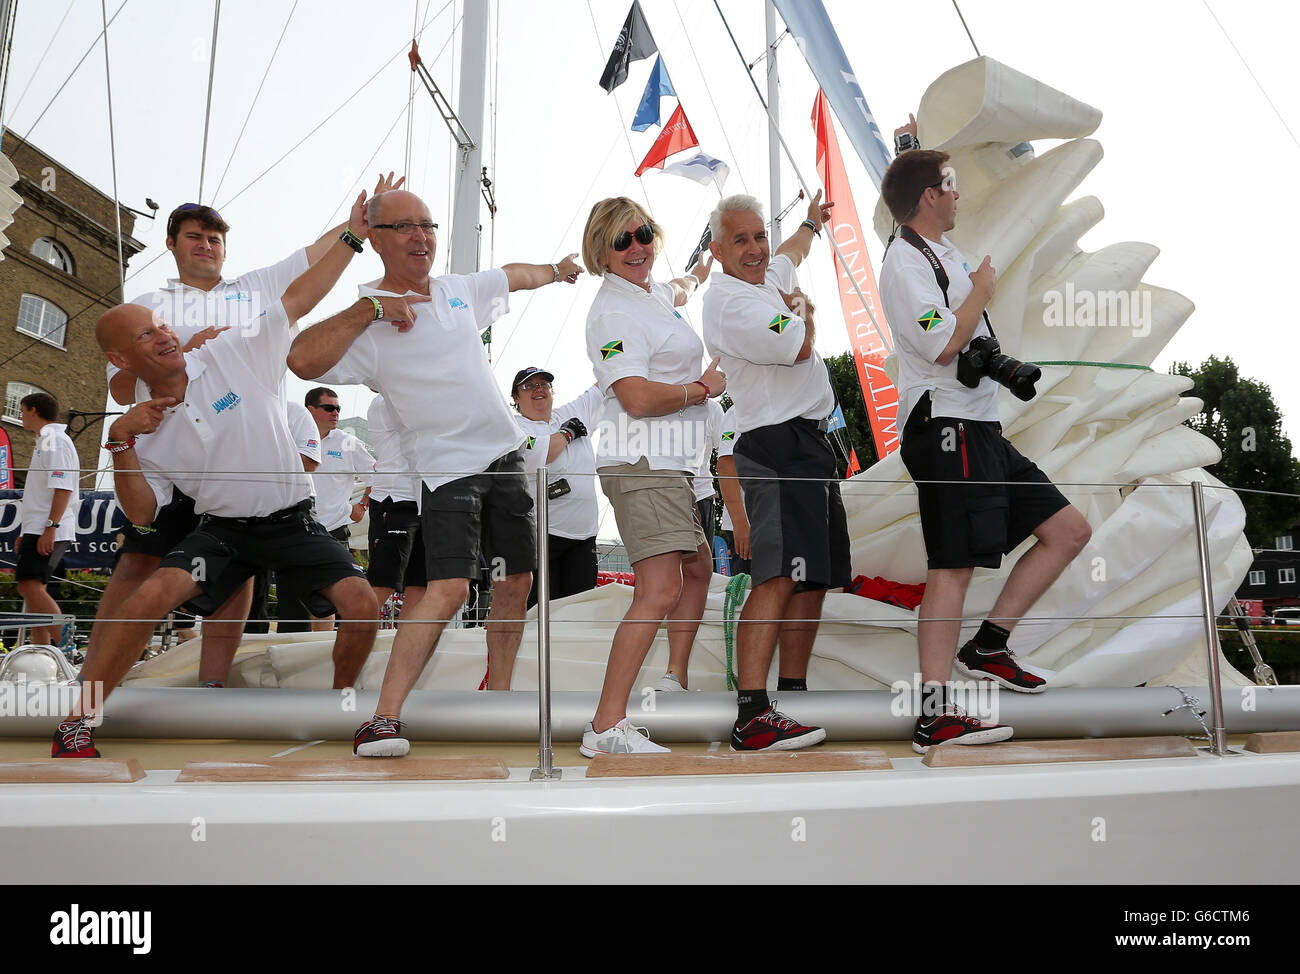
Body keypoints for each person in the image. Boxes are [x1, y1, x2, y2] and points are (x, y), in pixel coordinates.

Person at [51, 193, 380, 758]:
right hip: (221, 527)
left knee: (363, 605)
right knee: (147, 588)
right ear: (122, 361)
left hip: (289, 519)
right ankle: (80, 718)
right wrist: (120, 442)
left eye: (163, 327)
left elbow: (298, 295)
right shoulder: (142, 427)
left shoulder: (236, 349)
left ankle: (341, 707)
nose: (165, 334)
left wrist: (351, 237)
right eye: (147, 335)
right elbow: (144, 514)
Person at [286, 187, 583, 757]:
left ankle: (497, 694)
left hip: (505, 457)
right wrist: (371, 309)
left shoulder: (455, 290)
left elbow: (510, 276)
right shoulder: (365, 317)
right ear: (375, 238)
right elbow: (300, 359)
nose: (422, 236)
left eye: (428, 225)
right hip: (447, 472)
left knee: (515, 582)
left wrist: (557, 270)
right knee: (446, 590)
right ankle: (382, 718)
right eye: (405, 226)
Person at [878, 133, 1092, 754]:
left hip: (979, 423)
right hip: (943, 425)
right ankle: (934, 715)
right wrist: (981, 292)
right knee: (952, 567)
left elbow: (968, 343)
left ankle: (990, 643)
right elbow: (944, 344)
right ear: (927, 197)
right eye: (949, 184)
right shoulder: (904, 263)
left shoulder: (942, 251)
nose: (958, 193)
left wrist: (913, 144)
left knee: (1069, 530)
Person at [579, 196, 723, 756]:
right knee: (659, 588)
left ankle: (673, 680)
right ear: (602, 251)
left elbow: (681, 286)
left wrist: (702, 270)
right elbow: (634, 396)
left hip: (674, 465)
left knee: (699, 567)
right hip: (642, 461)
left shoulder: (653, 294)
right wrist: (702, 390)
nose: (636, 247)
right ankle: (606, 726)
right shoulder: (613, 313)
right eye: (622, 241)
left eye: (643, 234)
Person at [702, 191, 845, 751]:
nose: (757, 247)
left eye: (759, 234)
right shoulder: (730, 303)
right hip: (776, 444)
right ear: (716, 251)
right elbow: (803, 345)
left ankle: (794, 693)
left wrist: (811, 222)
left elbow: (791, 253)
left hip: (809, 443)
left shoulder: (763, 275)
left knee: (813, 576)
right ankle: (753, 714)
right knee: (779, 573)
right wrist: (803, 306)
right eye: (740, 240)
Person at [277, 386, 375, 633]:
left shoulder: (348, 442)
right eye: (329, 408)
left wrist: (362, 505)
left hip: (334, 530)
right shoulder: (287, 437)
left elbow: (379, 477)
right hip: (293, 528)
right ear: (310, 410)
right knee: (292, 601)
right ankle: (291, 661)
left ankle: (318, 660)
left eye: (338, 409)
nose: (336, 413)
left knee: (327, 601)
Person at [652, 394, 726, 691]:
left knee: (698, 576)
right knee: (669, 579)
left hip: (701, 494)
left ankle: (678, 670)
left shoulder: (713, 408)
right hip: (663, 494)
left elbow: (727, 450)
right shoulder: (655, 400)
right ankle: (674, 670)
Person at [511, 367, 601, 606]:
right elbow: (541, 451)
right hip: (541, 538)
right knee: (538, 615)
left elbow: (607, 379)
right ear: (516, 398)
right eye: (529, 386)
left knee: (576, 616)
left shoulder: (572, 411)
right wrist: (567, 433)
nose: (538, 390)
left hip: (584, 537)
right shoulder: (512, 427)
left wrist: (621, 343)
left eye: (544, 385)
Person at [15, 393, 78, 647]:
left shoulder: (53, 439)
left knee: (29, 587)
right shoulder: (47, 440)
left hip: (50, 526)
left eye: (21, 410)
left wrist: (50, 527)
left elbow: (62, 487)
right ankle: (39, 649)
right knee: (34, 590)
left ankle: (66, 642)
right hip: (41, 526)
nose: (20, 416)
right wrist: (27, 530)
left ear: (33, 410)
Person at [365, 393, 426, 628]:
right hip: (394, 500)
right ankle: (351, 647)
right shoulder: (385, 400)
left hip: (424, 501)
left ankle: (405, 652)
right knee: (383, 583)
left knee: (420, 585)